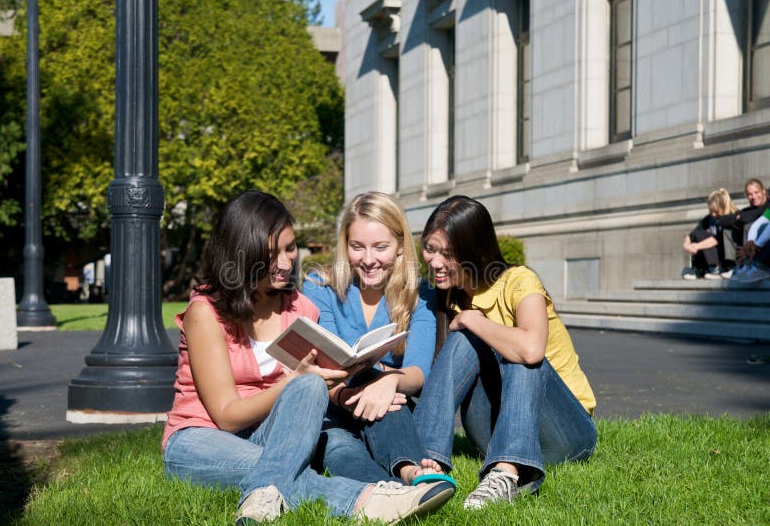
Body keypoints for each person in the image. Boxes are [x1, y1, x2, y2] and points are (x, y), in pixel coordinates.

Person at [161, 191, 454, 525]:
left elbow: (314, 388)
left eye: (290, 248)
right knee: (291, 458)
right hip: (201, 437)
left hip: (273, 434)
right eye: (273, 254)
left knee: (316, 401)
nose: (287, 263)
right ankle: (370, 499)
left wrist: (333, 387)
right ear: (244, 254)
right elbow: (226, 416)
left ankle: (276, 494)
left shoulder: (299, 308)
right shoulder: (206, 312)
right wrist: (294, 382)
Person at [412, 195, 597, 510]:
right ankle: (426, 462)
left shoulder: (520, 281)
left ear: (475, 250)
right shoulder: (445, 297)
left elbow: (531, 350)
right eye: (430, 249)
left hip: (565, 431)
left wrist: (472, 319)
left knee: (520, 351)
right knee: (468, 335)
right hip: (494, 427)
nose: (436, 262)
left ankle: (505, 474)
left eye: (449, 254)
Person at [303, 192, 449, 487]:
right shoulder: (319, 287)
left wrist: (389, 380)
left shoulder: (420, 294)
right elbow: (324, 366)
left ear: (400, 246)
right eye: (357, 247)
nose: (368, 260)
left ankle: (410, 471)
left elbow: (418, 372)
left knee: (382, 390)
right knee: (339, 450)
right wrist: (371, 380)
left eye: (380, 247)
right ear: (345, 245)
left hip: (389, 410)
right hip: (333, 406)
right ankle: (388, 493)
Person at [682, 188, 738, 279]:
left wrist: (696, 246)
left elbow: (716, 240)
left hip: (730, 253)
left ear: (723, 207)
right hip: (717, 251)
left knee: (714, 237)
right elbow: (691, 234)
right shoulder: (710, 218)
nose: (713, 214)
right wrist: (687, 244)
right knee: (698, 234)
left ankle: (725, 268)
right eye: (711, 211)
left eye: (716, 211)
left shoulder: (732, 217)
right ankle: (700, 269)